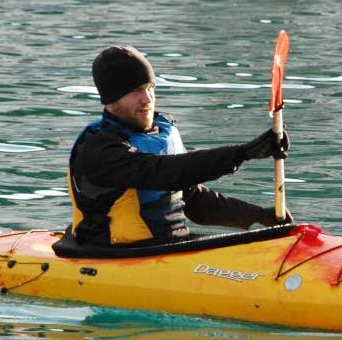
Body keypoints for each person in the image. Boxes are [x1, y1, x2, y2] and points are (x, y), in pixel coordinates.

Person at [65, 45, 291, 247]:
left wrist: (259, 216)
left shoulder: (159, 134)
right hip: (114, 253)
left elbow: (193, 199)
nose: (147, 99)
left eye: (150, 87)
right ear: (111, 99)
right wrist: (242, 153)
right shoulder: (99, 150)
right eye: (135, 91)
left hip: (170, 247)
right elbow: (164, 172)